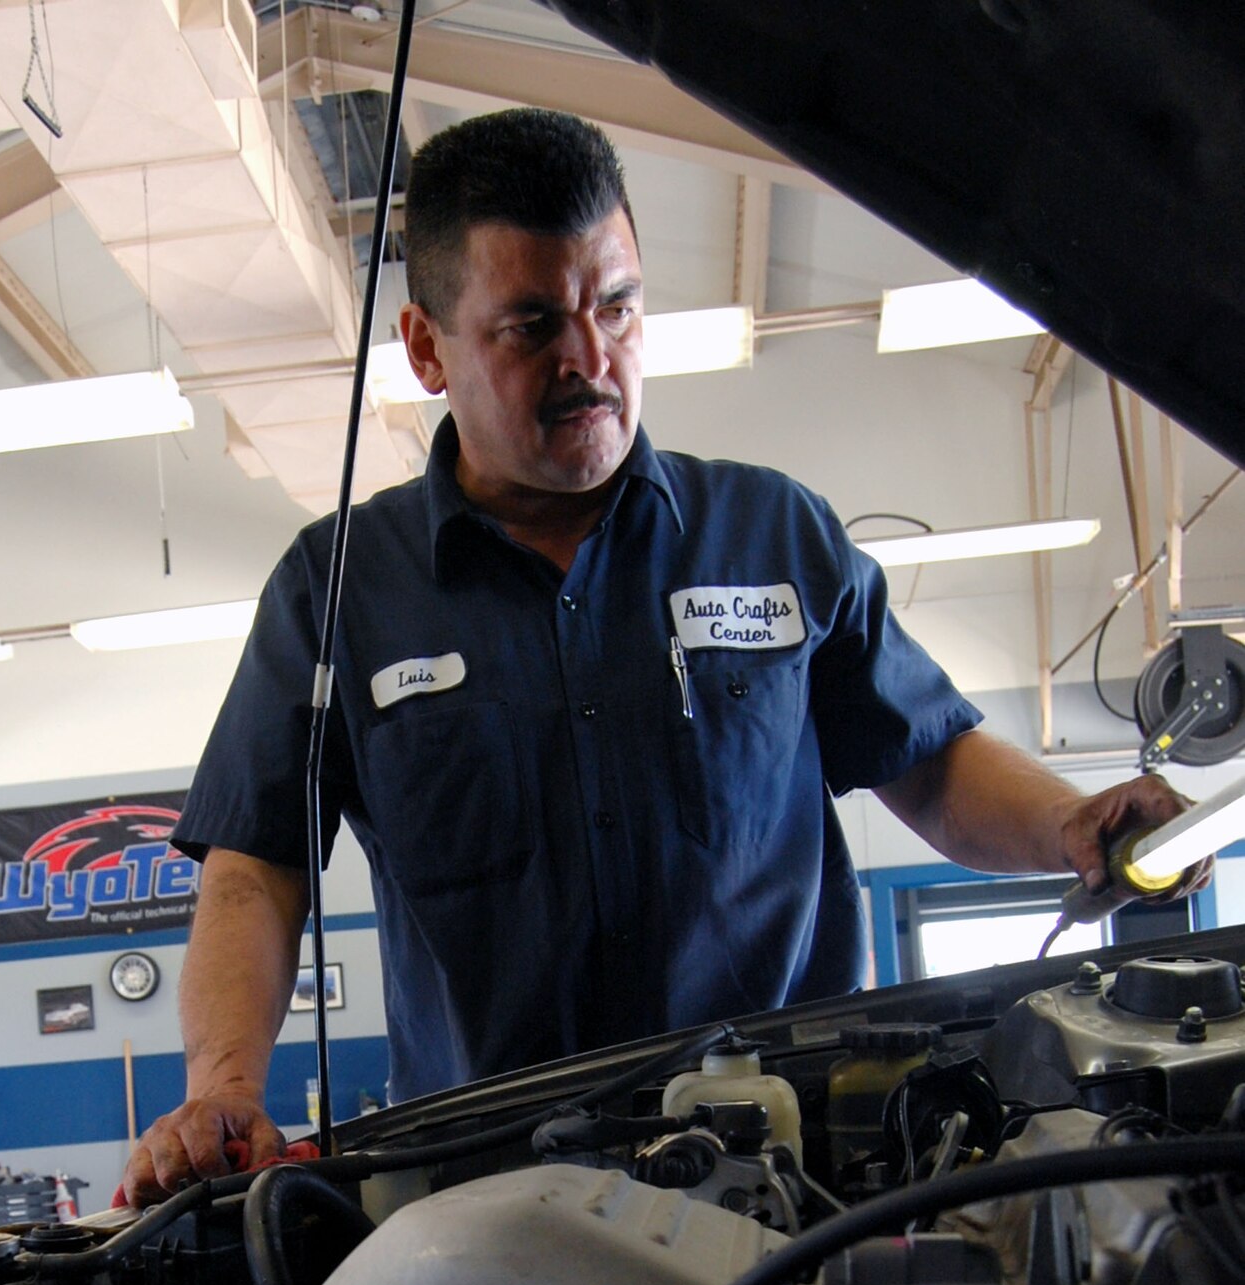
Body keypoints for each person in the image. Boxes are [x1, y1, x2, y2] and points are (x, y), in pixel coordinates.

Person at [124, 108, 1193, 1205]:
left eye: (617, 306)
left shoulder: (773, 535)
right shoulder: (337, 590)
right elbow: (254, 870)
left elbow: (926, 761)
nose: (588, 360)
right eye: (530, 324)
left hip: (801, 1167)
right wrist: (221, 1088)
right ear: (425, 348)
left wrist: (1068, 824)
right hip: (488, 1199)